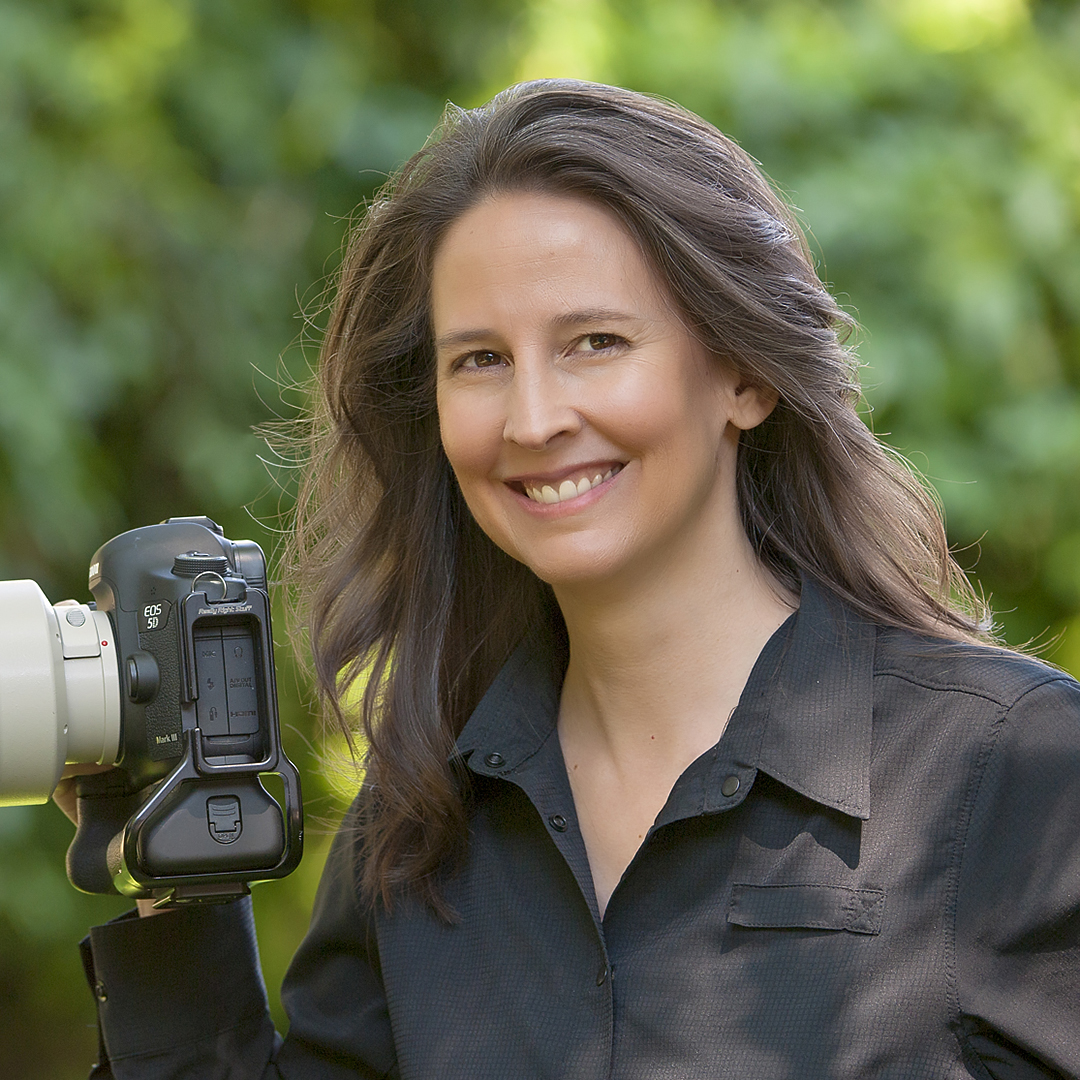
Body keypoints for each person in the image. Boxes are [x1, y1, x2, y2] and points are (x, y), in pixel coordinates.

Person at [69, 80, 1080, 1079]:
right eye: (479, 360)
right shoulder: (420, 826)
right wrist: (176, 880)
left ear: (744, 374)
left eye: (595, 342)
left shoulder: (1014, 777)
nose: (534, 418)